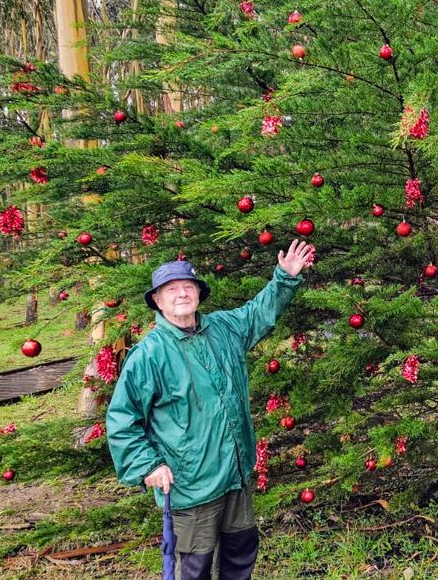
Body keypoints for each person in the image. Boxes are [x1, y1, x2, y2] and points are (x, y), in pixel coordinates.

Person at [107, 239, 315, 579]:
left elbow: (259, 313)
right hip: (191, 484)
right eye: (171, 289)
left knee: (240, 553)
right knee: (195, 565)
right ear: (157, 301)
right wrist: (148, 465)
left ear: (199, 294)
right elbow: (121, 420)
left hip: (234, 474)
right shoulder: (148, 356)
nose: (181, 294)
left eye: (187, 286)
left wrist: (285, 277)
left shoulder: (224, 329)